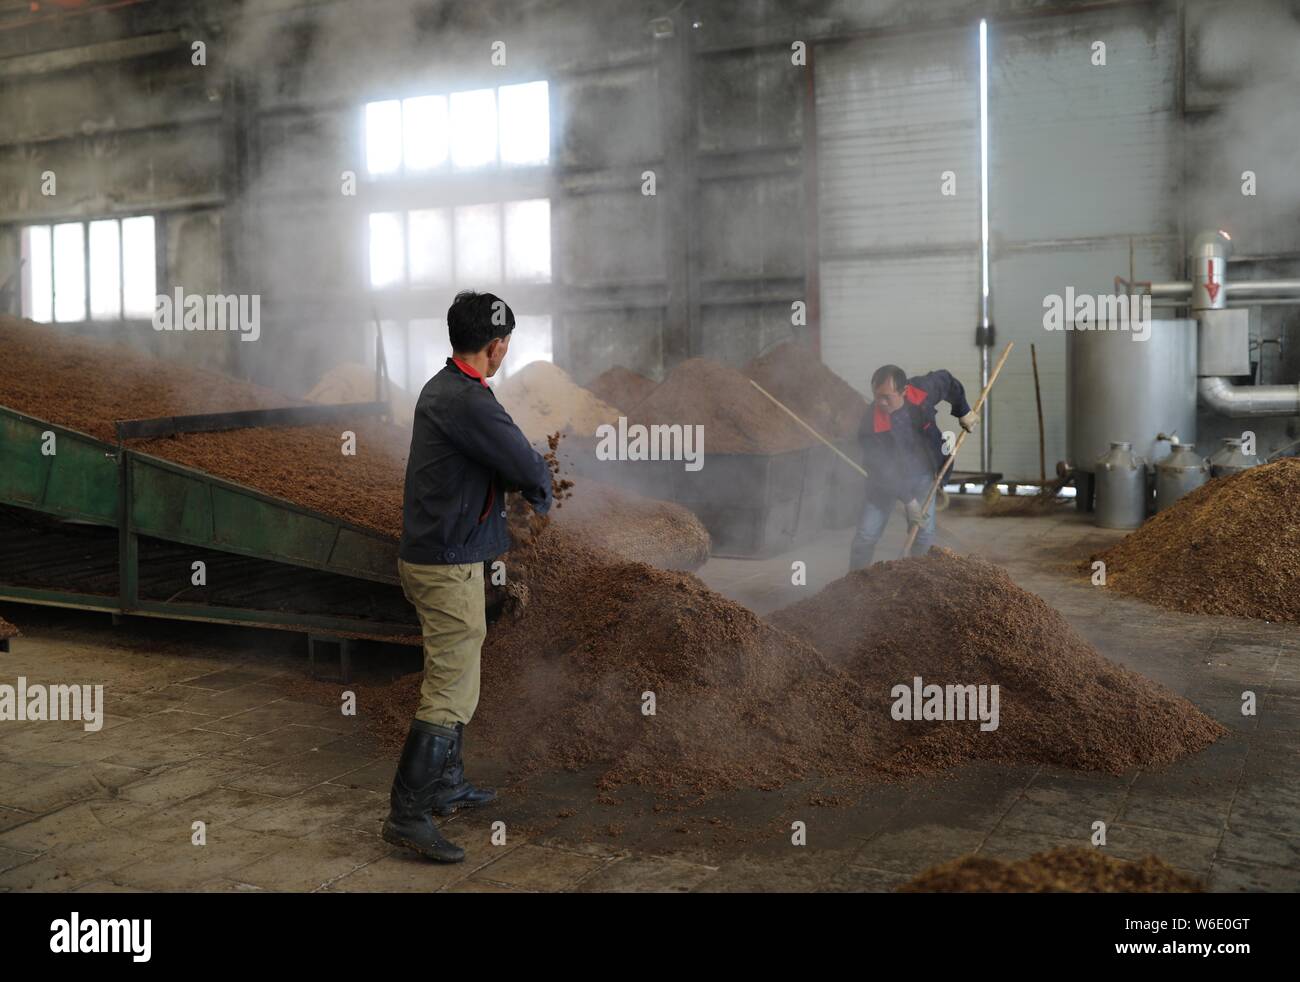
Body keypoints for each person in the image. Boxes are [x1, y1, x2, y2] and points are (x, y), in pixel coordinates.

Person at [383, 290, 552, 863]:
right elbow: (522, 459)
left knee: (458, 669)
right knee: (450, 687)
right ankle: (407, 816)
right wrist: (540, 490)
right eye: (507, 342)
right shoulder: (469, 401)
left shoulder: (447, 388)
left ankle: (447, 786)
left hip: (443, 554)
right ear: (498, 345)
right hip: (444, 563)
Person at [851, 364, 977, 570]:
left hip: (922, 475)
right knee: (866, 534)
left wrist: (963, 411)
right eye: (876, 396)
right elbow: (881, 468)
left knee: (924, 533)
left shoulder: (922, 390)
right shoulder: (870, 423)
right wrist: (909, 502)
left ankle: (917, 579)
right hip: (884, 483)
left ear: (904, 391)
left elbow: (946, 380)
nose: (880, 403)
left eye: (886, 397)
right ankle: (854, 581)